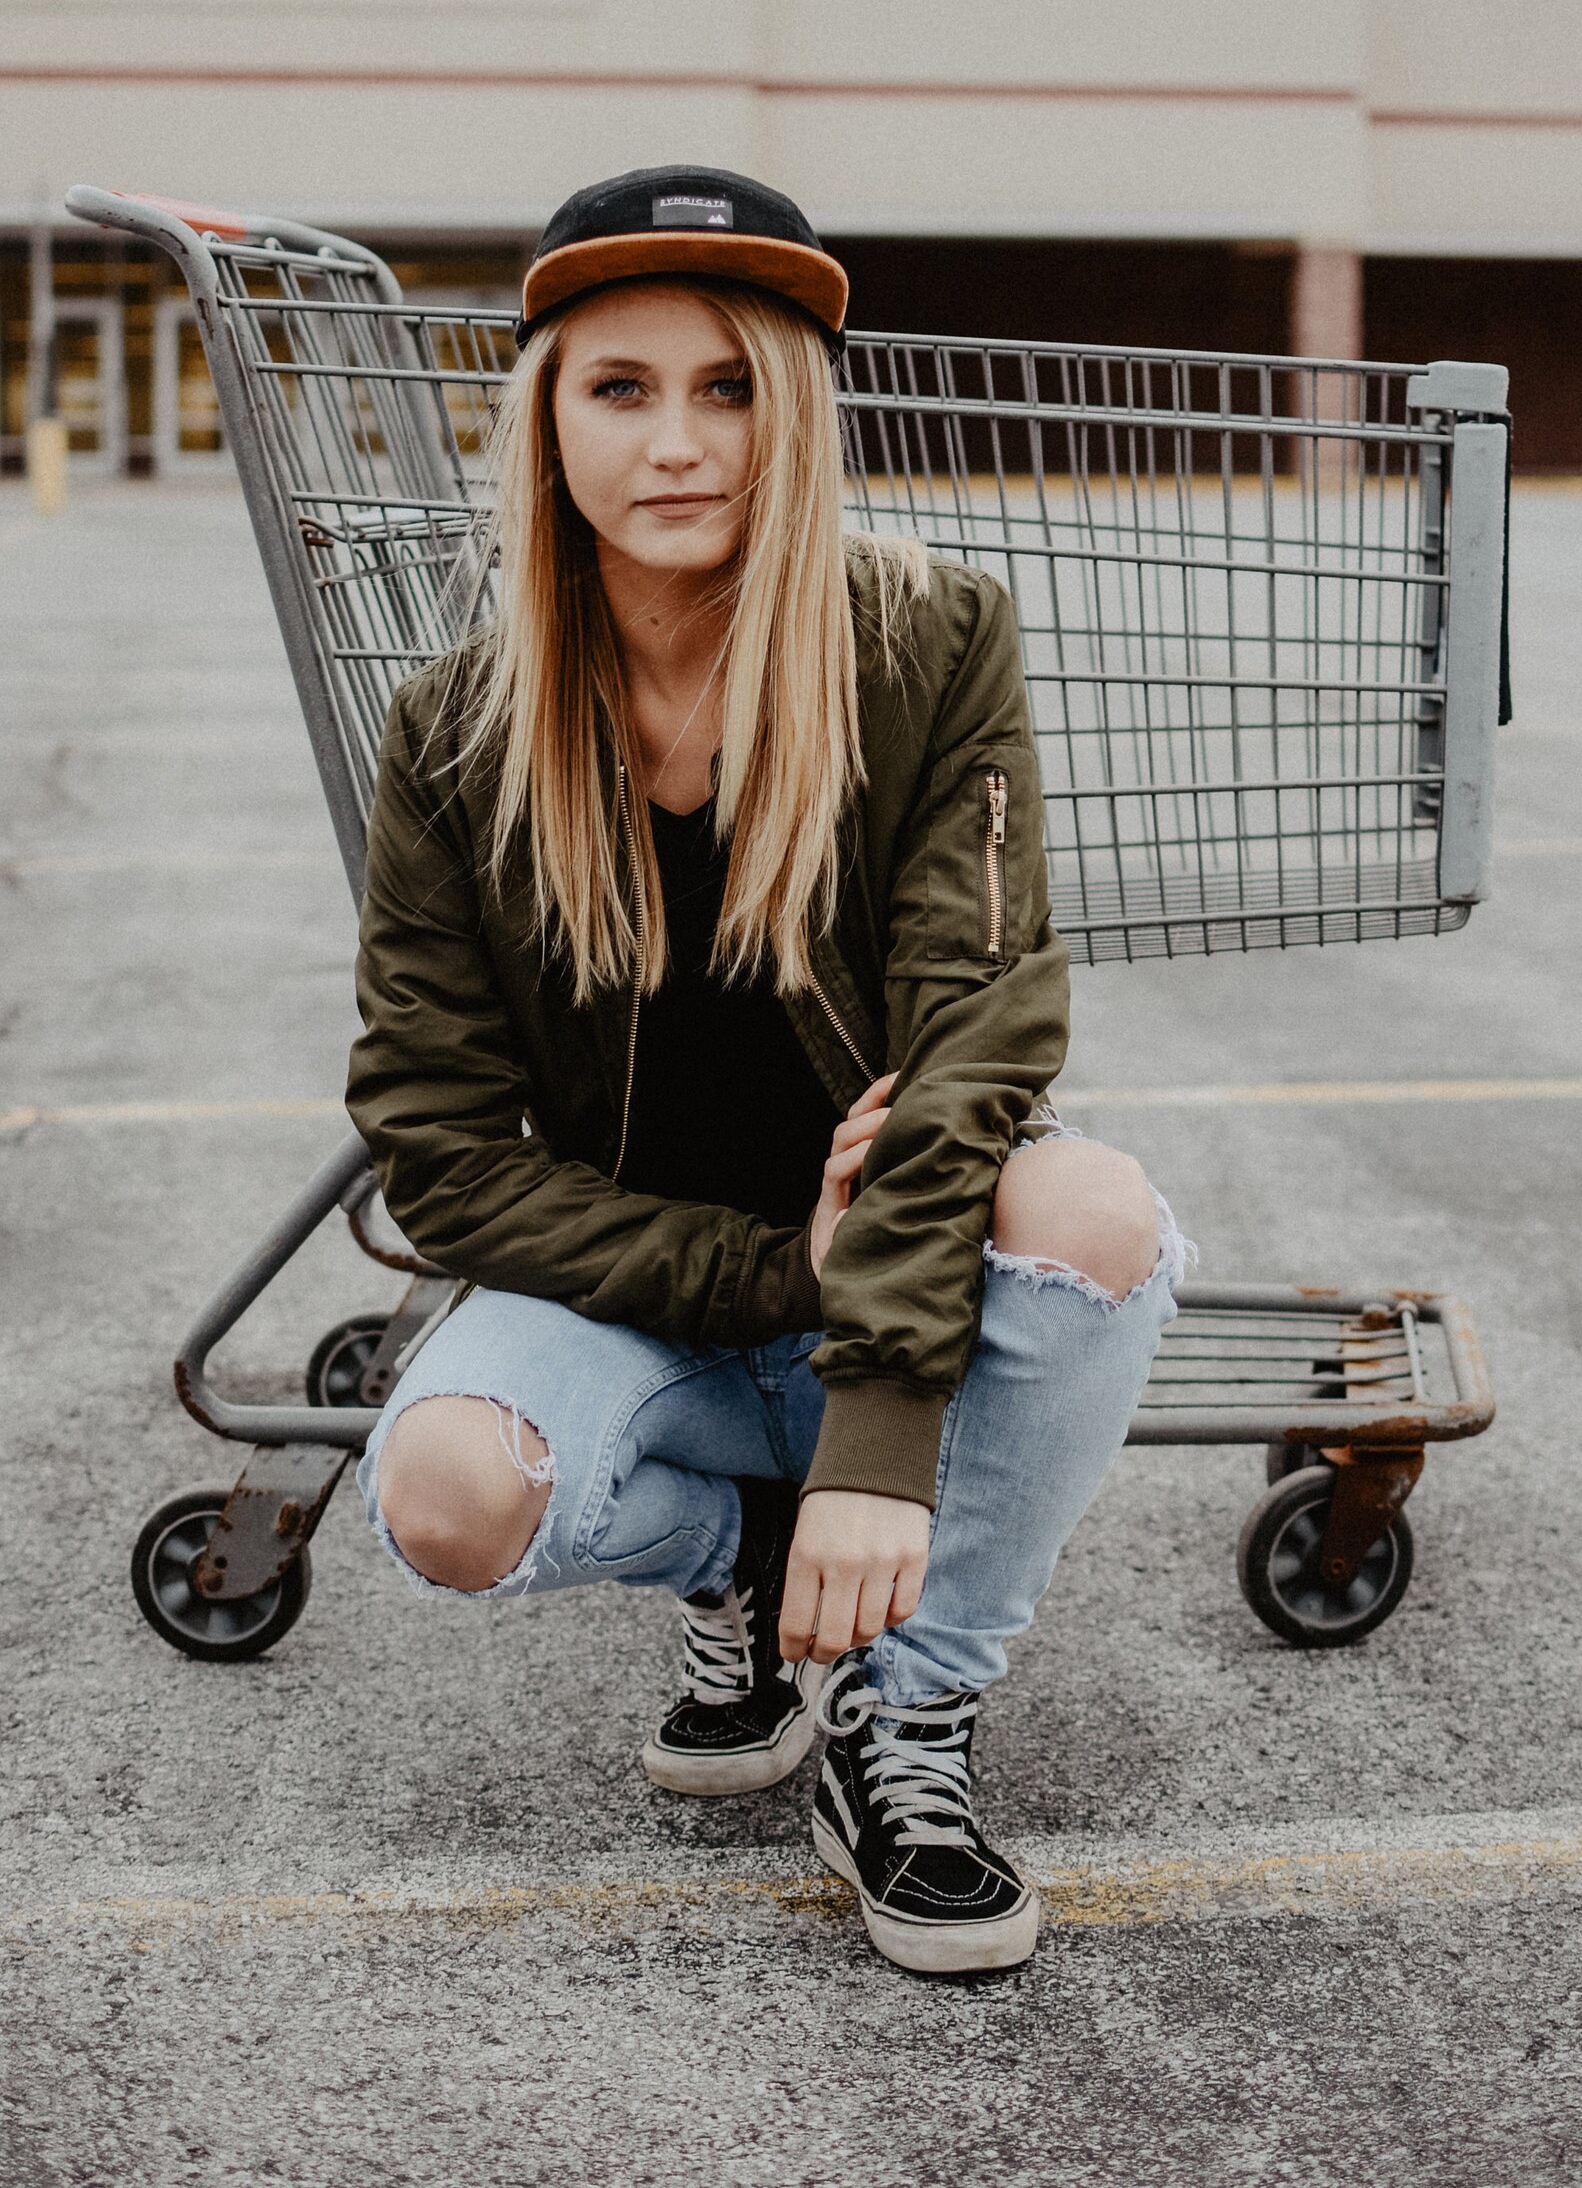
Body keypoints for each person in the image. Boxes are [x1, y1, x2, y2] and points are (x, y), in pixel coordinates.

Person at [347, 164, 1188, 1976]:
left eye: (730, 384)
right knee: (444, 1494)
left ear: (795, 412)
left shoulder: (928, 644)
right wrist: (763, 1273)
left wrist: (881, 1421)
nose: (680, 440)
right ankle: (740, 1556)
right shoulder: (456, 732)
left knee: (1094, 1207)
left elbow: (982, 1030)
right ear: (548, 420)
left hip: (887, 1291)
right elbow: (435, 1145)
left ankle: (908, 1716)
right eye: (621, 385)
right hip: (659, 1292)